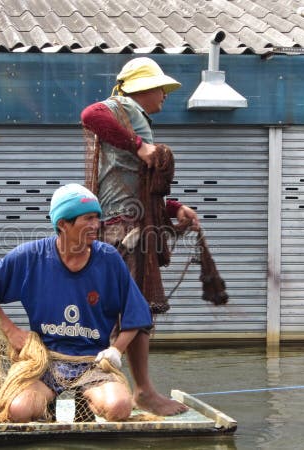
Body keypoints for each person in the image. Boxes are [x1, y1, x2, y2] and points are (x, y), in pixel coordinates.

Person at [0, 183, 153, 423]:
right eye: (87, 219)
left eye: (97, 218)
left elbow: (136, 313)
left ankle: (84, 399)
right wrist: (11, 331)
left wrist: (116, 350)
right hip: (44, 361)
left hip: (92, 362)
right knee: (18, 411)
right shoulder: (32, 257)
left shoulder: (109, 259)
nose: (96, 225)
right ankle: (48, 406)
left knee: (119, 407)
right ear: (63, 224)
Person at [80, 57, 200, 416]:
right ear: (142, 88)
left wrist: (173, 208)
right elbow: (90, 114)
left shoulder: (134, 115)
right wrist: (139, 146)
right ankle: (141, 390)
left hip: (128, 223)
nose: (165, 95)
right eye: (160, 88)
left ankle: (117, 386)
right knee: (136, 305)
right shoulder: (124, 107)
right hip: (123, 229)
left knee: (131, 306)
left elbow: (138, 184)